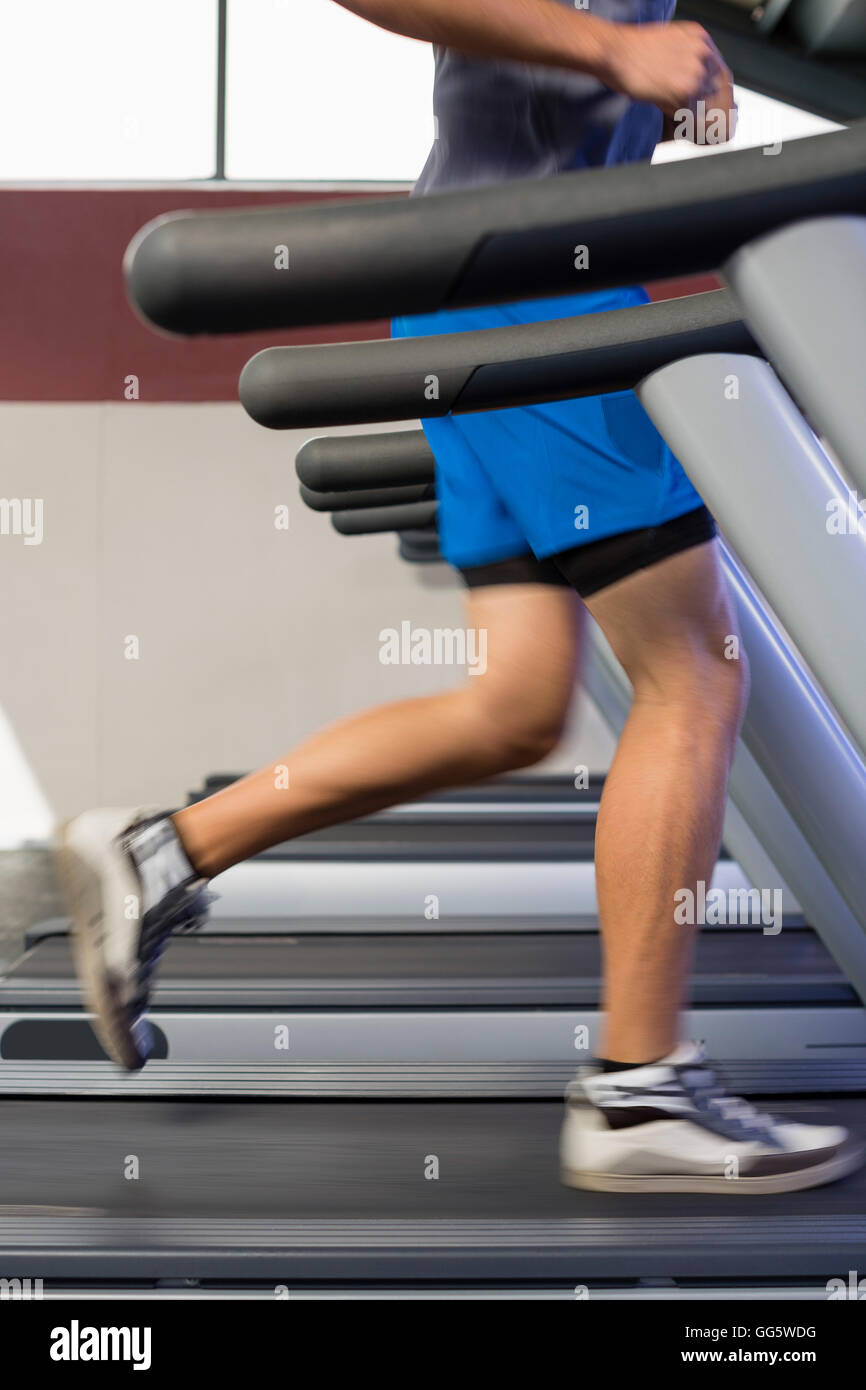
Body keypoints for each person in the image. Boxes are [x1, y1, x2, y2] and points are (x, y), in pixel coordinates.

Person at [58, 0, 862, 1194]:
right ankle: (637, 1089)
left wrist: (673, 54)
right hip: (535, 287)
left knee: (517, 706)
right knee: (694, 667)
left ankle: (165, 853)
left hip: (481, 291)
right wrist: (611, 50)